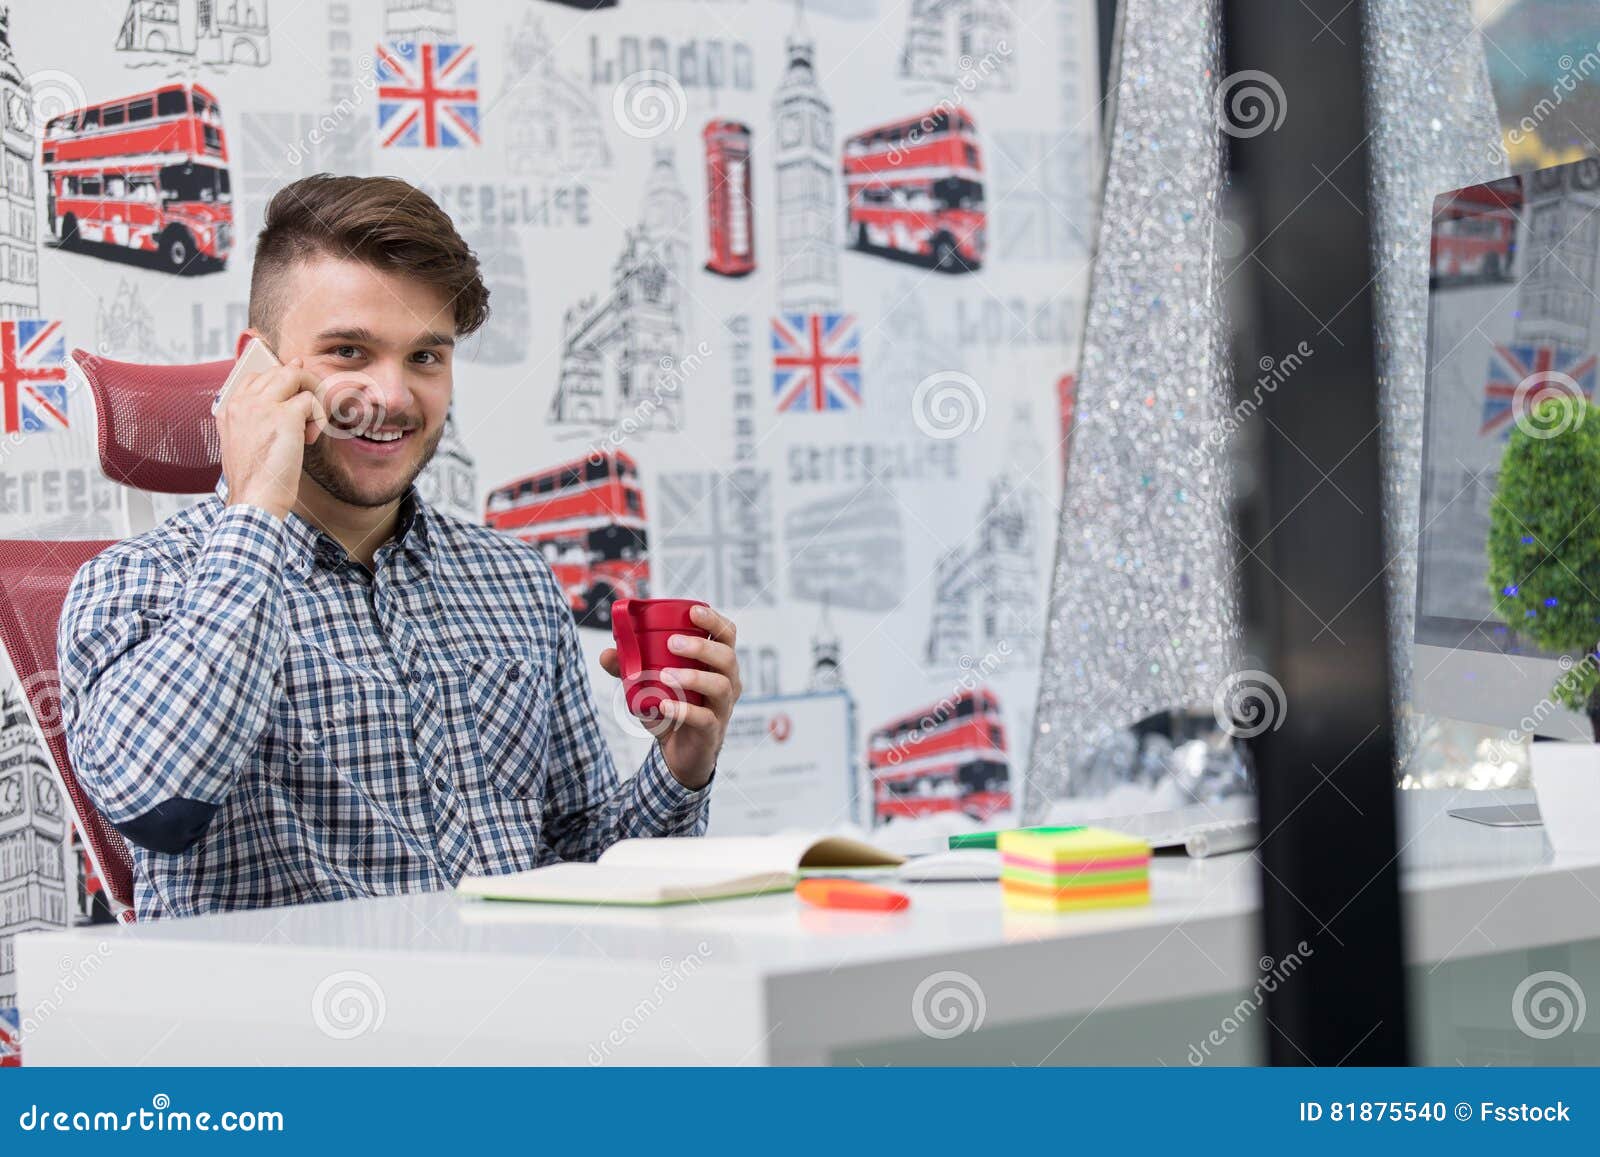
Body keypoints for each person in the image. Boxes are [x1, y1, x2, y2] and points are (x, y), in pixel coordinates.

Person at [57, 174, 740, 920]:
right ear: (258, 369)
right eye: (349, 351)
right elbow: (154, 799)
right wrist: (257, 505)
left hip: (519, 1013)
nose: (392, 396)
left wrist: (679, 769)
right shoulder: (134, 582)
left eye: (425, 357)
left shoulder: (512, 579)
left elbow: (578, 867)